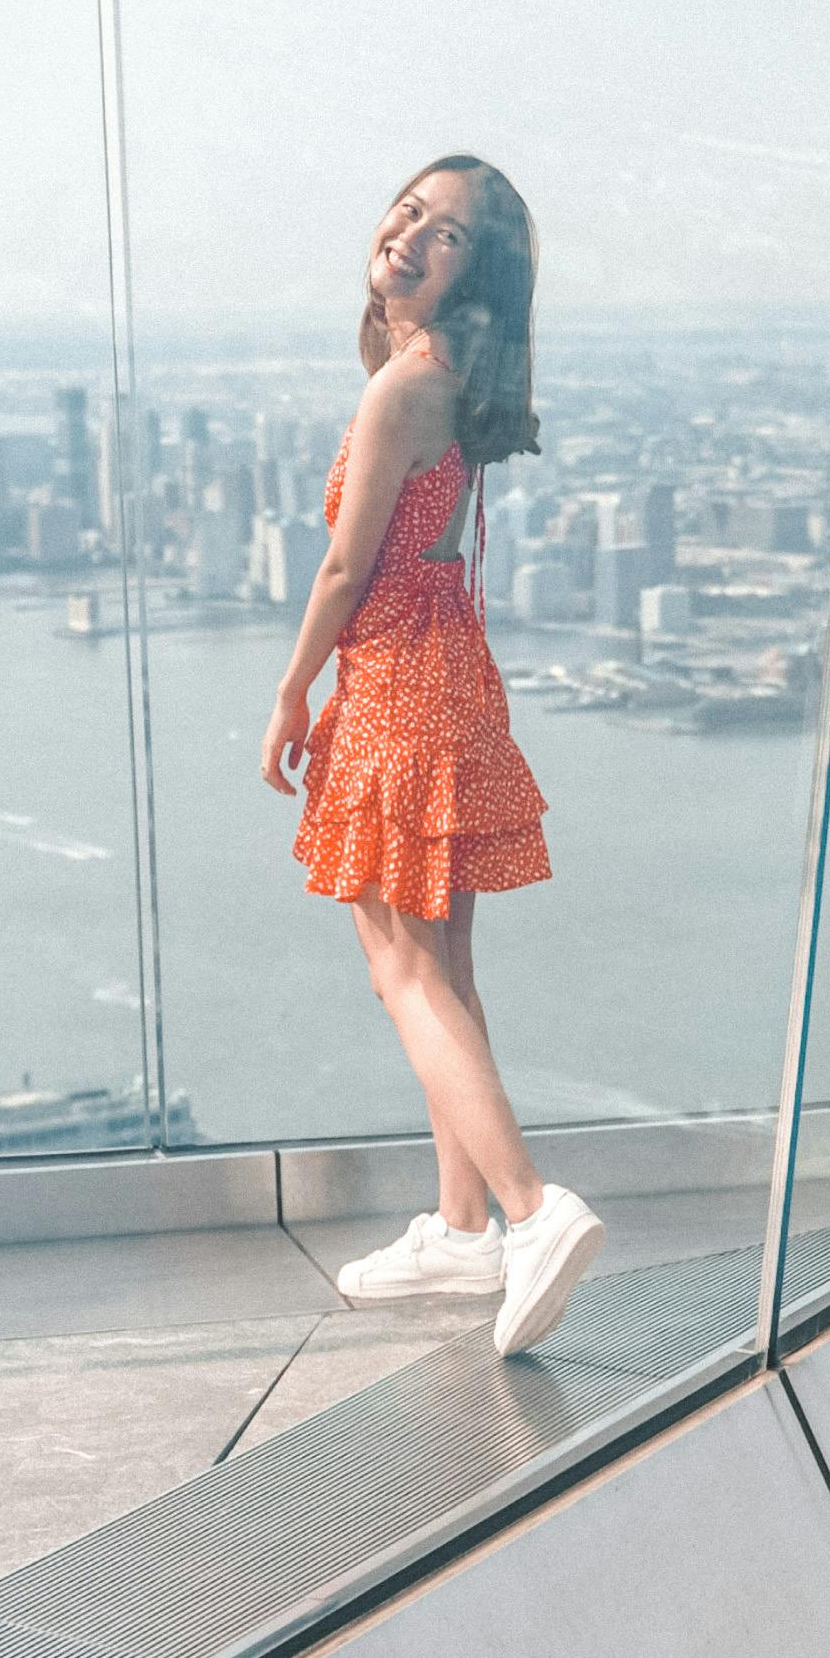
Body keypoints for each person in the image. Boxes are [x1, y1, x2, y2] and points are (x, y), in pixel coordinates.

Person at [260, 155, 604, 1357]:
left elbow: (344, 568)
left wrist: (292, 689)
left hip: (398, 684)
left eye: (443, 232)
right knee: (443, 966)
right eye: (408, 211)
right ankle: (464, 1230)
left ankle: (530, 1207)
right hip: (451, 670)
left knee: (400, 967)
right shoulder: (454, 376)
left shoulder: (402, 387)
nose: (408, 235)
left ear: (475, 272)